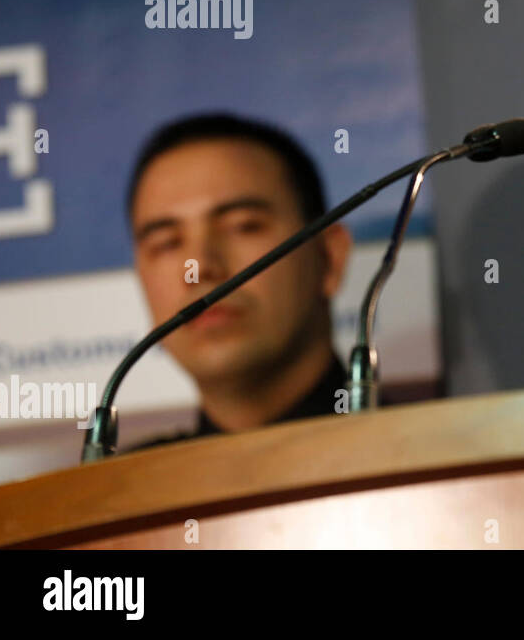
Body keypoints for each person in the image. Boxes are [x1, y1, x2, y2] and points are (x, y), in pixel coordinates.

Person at [124, 113, 353, 449]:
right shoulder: (123, 493)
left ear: (328, 258)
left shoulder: (431, 462)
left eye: (243, 226)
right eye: (167, 243)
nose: (200, 266)